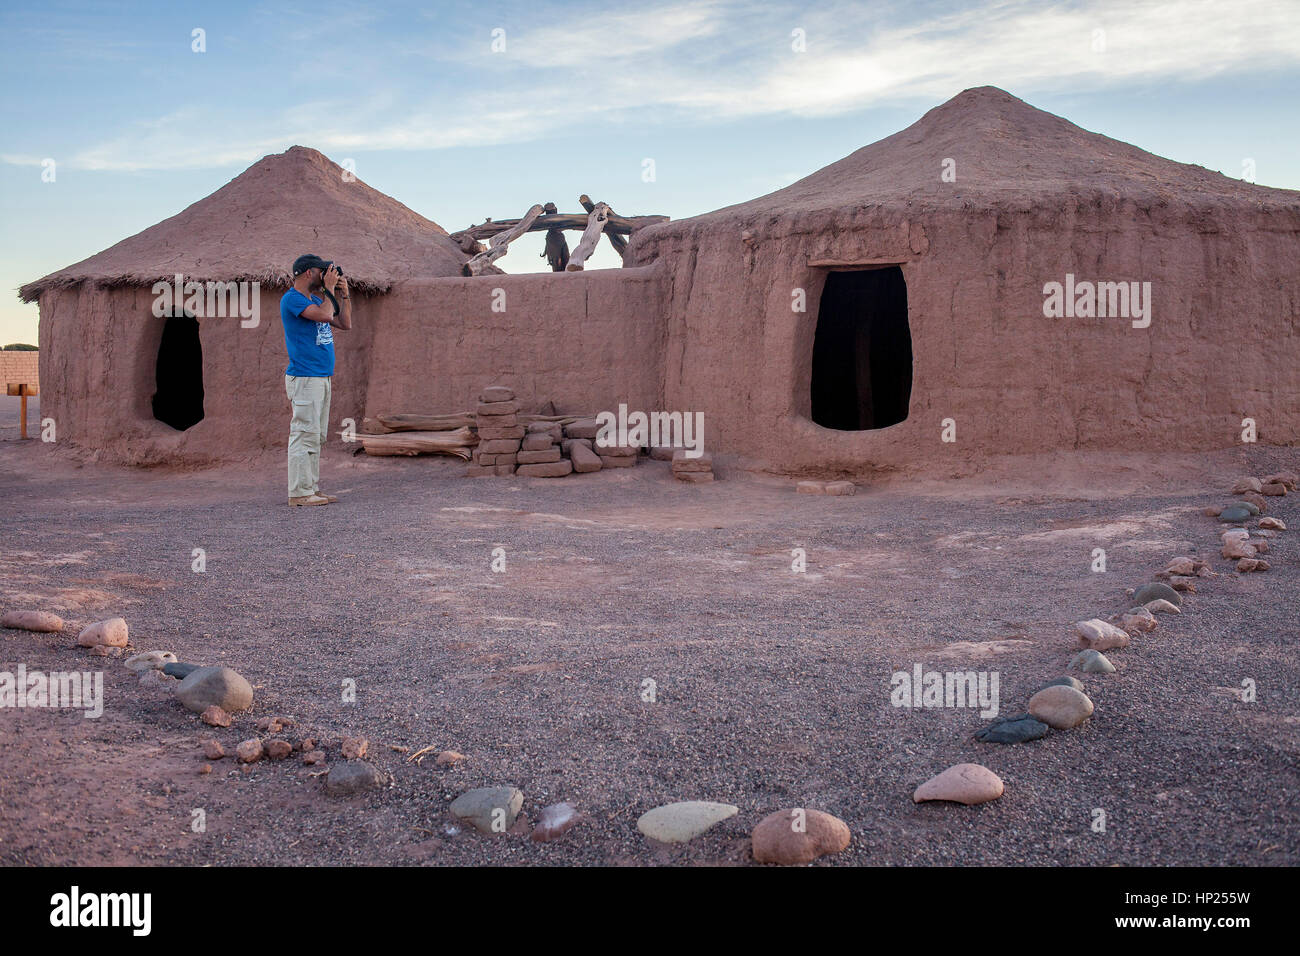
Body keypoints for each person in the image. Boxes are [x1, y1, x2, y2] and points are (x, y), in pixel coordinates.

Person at [280, 254, 352, 506]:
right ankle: (299, 493)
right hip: (305, 376)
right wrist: (330, 289)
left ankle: (310, 488)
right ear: (308, 272)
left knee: (316, 435)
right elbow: (323, 316)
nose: (326, 275)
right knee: (303, 433)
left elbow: (345, 323)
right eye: (322, 271)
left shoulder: (317, 300)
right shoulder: (292, 299)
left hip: (320, 377)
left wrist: (343, 294)